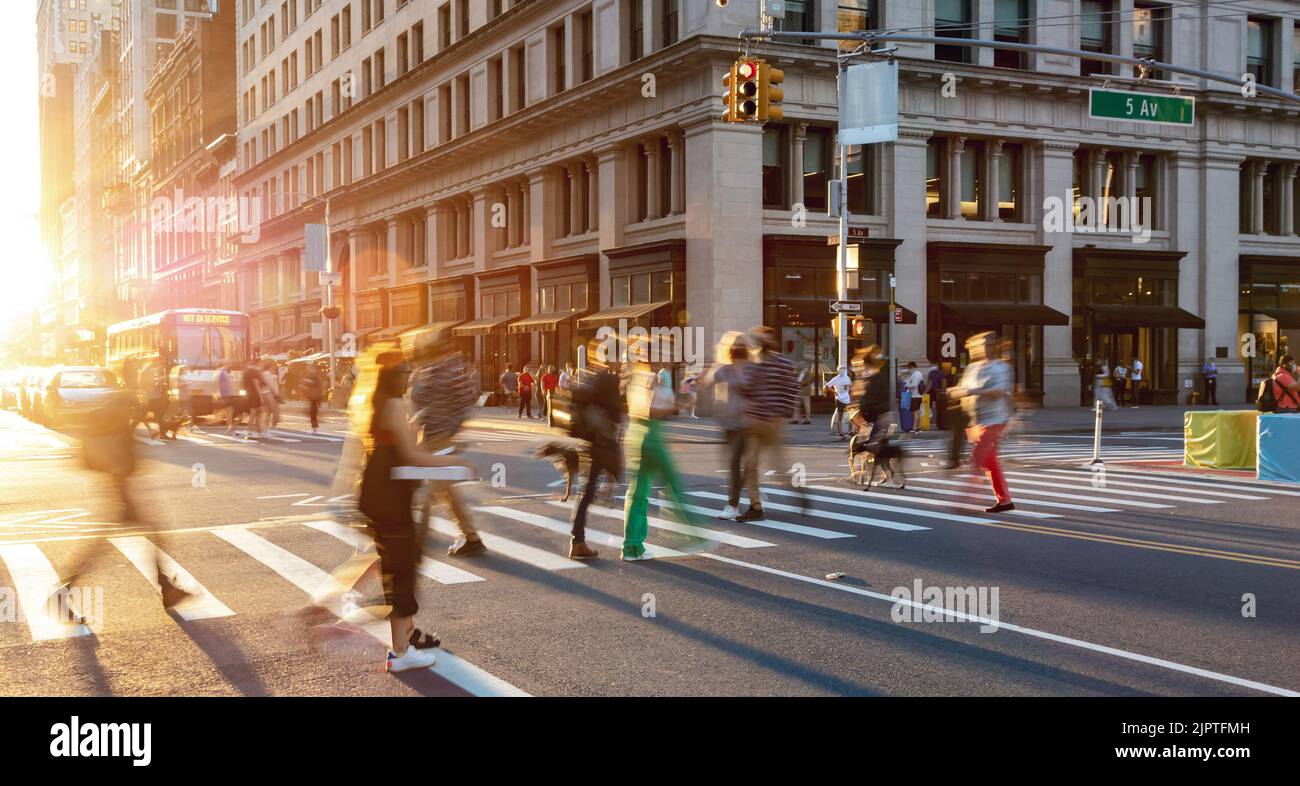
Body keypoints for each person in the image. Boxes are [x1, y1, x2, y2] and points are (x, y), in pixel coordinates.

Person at [356, 350, 464, 673]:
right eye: (404, 371)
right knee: (399, 569)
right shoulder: (392, 405)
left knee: (400, 563)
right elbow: (411, 455)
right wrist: (452, 464)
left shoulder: (378, 403)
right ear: (392, 375)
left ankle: (407, 635)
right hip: (388, 499)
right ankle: (400, 653)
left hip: (382, 493)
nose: (408, 376)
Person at [621, 338, 702, 560]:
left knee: (637, 493)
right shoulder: (650, 379)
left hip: (635, 436)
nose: (661, 356)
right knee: (673, 486)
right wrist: (684, 397)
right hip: (651, 436)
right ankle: (694, 537)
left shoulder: (634, 377)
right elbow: (656, 409)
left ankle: (632, 547)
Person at [409, 328, 484, 557]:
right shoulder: (437, 369)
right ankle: (470, 536)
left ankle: (470, 536)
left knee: (434, 485)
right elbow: (464, 403)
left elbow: (464, 402)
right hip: (431, 436)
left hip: (437, 437)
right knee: (442, 488)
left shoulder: (443, 370)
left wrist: (447, 431)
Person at [736, 325, 804, 522]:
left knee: (778, 465)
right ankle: (755, 507)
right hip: (755, 422)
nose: (759, 342)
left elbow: (792, 388)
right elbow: (745, 389)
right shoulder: (753, 363)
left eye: (762, 339)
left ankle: (799, 493)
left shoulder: (780, 362)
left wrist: (783, 414)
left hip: (772, 422)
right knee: (750, 464)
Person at [568, 342, 625, 559]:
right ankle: (578, 542)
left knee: (587, 491)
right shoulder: (609, 380)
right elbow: (617, 414)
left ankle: (578, 541)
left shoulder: (588, 378)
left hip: (589, 442)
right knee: (591, 489)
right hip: (602, 442)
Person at [949, 332, 1016, 513]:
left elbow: (999, 391)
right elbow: (964, 389)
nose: (983, 348)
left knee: (977, 459)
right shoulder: (972, 368)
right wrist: (955, 392)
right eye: (980, 345)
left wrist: (972, 391)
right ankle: (1004, 501)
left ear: (994, 345)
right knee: (989, 462)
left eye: (988, 344)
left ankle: (965, 500)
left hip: (995, 419)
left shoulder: (1001, 368)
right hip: (975, 421)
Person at [703, 333, 750, 519]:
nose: (737, 348)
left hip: (750, 423)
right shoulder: (723, 370)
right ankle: (737, 500)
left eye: (741, 344)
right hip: (730, 423)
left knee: (744, 464)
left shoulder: (752, 368)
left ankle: (737, 499)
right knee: (734, 464)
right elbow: (710, 385)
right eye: (734, 345)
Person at [824, 365, 853, 440]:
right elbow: (826, 386)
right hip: (840, 400)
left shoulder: (847, 378)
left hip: (847, 399)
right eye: (841, 369)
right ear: (838, 370)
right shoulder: (836, 379)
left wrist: (850, 396)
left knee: (851, 416)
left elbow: (850, 387)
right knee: (840, 417)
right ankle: (841, 433)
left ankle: (850, 432)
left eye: (844, 369)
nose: (842, 370)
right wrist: (835, 392)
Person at [899, 361, 925, 434]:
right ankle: (919, 428)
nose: (908, 369)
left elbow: (914, 384)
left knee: (915, 413)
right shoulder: (919, 373)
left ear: (912, 367)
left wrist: (907, 386)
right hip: (919, 396)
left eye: (909, 368)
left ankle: (914, 428)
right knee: (918, 412)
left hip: (914, 396)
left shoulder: (915, 374)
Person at [299, 363, 326, 433]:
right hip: (316, 395)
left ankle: (315, 428)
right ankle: (315, 427)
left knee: (312, 412)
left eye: (308, 366)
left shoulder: (312, 373)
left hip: (314, 395)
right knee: (313, 411)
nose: (307, 368)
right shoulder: (316, 373)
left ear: (311, 367)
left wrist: (302, 385)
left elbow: (309, 382)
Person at [241, 362, 265, 437]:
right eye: (259, 365)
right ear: (255, 366)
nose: (260, 367)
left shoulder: (246, 373)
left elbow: (243, 385)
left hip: (250, 394)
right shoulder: (254, 373)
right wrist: (261, 397)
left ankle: (258, 429)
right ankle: (249, 429)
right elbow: (257, 385)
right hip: (255, 395)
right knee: (254, 413)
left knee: (258, 412)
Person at [217, 362, 240, 435]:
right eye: (228, 364)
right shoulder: (223, 373)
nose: (230, 365)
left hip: (228, 395)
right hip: (227, 395)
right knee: (230, 413)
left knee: (229, 413)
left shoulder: (225, 372)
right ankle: (229, 430)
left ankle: (229, 429)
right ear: (225, 364)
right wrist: (222, 396)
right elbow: (221, 385)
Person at [261, 360, 282, 429]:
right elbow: (270, 385)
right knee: (275, 411)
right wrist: (275, 393)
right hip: (269, 394)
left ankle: (266, 427)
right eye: (273, 365)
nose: (274, 367)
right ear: (270, 366)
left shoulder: (265, 373)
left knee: (268, 412)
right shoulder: (267, 374)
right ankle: (273, 427)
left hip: (265, 394)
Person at [927, 363, 948, 431]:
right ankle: (931, 417)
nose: (931, 367)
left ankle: (939, 423)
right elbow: (929, 383)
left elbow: (944, 382)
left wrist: (942, 390)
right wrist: (925, 392)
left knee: (939, 408)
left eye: (933, 365)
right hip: (932, 391)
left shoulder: (941, 373)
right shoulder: (930, 373)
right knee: (930, 406)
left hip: (939, 391)